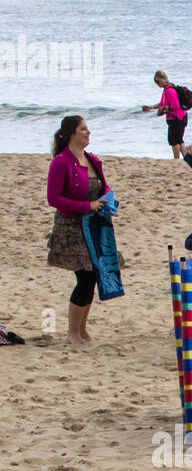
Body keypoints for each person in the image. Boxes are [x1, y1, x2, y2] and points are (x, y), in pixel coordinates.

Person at [46, 115, 110, 344]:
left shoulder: (92, 159)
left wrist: (108, 202)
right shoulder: (61, 162)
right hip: (71, 227)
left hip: (94, 226)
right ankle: (72, 332)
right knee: (84, 277)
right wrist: (86, 206)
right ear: (72, 133)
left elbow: (104, 186)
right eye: (83, 129)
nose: (88, 132)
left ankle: (82, 330)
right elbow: (53, 198)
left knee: (93, 277)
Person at [141, 70, 188, 159]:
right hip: (179, 117)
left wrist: (164, 108)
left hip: (176, 118)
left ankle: (177, 159)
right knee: (179, 140)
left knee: (174, 141)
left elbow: (175, 106)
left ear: (161, 81)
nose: (157, 85)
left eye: (157, 82)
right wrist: (150, 107)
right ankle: (186, 158)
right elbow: (162, 103)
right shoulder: (166, 89)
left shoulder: (169, 90)